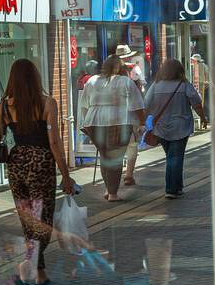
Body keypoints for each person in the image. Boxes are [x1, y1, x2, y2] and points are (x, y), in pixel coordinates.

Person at [0, 58, 76, 285]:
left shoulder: (4, 107)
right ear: (35, 78)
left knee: (28, 220)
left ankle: (41, 274)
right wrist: (66, 176)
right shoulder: (47, 103)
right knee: (42, 221)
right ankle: (25, 267)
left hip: (16, 164)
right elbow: (54, 142)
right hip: (40, 163)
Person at [81, 54, 144, 202]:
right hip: (118, 121)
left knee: (104, 156)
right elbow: (137, 105)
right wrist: (142, 123)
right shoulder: (124, 82)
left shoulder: (92, 81)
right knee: (115, 158)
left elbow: (84, 105)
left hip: (94, 122)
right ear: (121, 68)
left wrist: (86, 122)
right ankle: (113, 194)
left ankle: (108, 189)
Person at [143, 58, 208, 198]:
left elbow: (146, 105)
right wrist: (203, 118)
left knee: (171, 157)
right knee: (176, 157)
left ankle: (177, 186)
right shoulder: (184, 85)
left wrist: (143, 121)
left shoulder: (156, 85)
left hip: (161, 128)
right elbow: (196, 103)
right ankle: (171, 189)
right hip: (181, 127)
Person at [114, 45, 148, 187]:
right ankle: (128, 174)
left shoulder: (109, 72)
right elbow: (141, 89)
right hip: (131, 113)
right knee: (132, 145)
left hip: (113, 115)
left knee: (115, 147)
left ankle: (114, 178)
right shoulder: (134, 68)